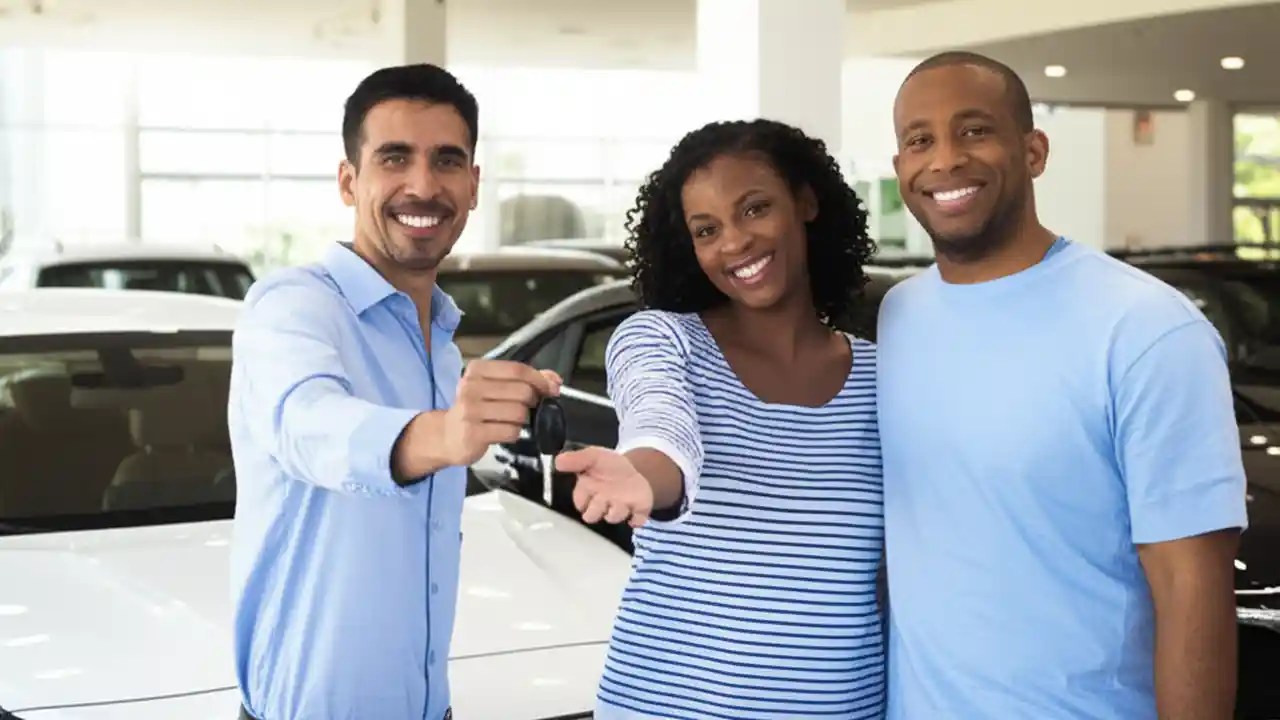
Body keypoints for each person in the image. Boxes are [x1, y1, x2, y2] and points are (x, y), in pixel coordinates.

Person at [877, 50, 1248, 719]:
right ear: (901, 166)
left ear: (1034, 151)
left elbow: (1191, 589)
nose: (945, 160)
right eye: (918, 140)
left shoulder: (1146, 327)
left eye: (974, 130)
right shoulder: (900, 317)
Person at [226, 63, 559, 720]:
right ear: (350, 181)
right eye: (394, 158)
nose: (423, 185)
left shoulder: (438, 339)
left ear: (474, 185)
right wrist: (447, 433)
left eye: (447, 161)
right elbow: (308, 424)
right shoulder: (292, 307)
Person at [553, 119, 887, 719]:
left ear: (806, 202)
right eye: (707, 230)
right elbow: (660, 426)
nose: (734, 242)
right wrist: (644, 476)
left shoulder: (882, 377)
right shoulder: (662, 341)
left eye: (754, 209)